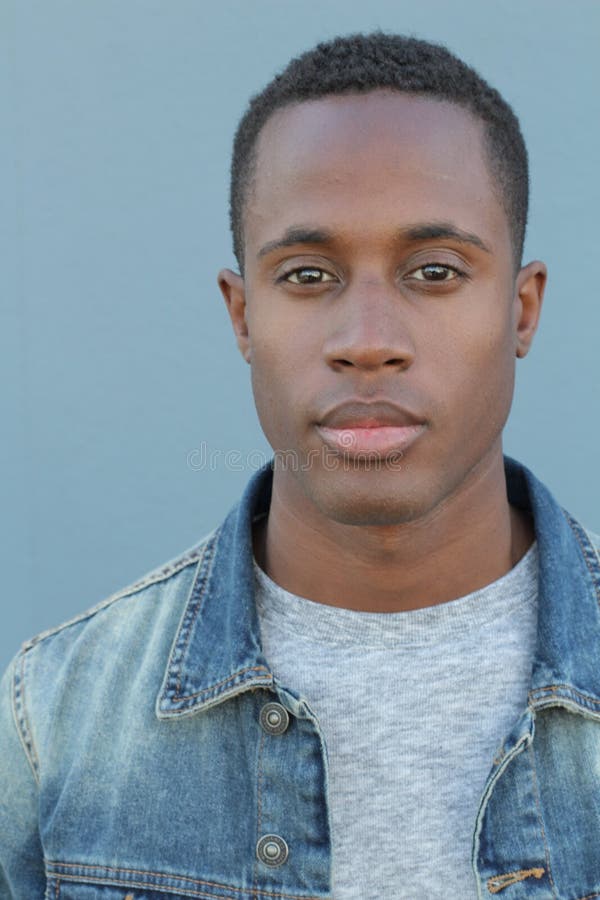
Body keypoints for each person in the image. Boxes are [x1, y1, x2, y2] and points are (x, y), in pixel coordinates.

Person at [1, 31, 598, 900]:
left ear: (523, 308)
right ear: (243, 316)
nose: (367, 343)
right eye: (309, 274)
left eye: (434, 271)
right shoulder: (54, 722)